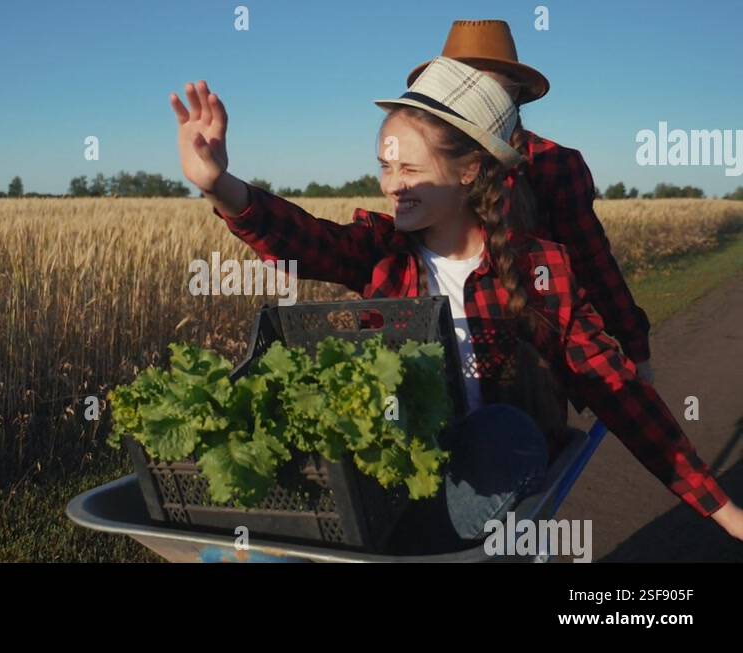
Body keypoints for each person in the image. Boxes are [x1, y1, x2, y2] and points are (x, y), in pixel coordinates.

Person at [167, 57, 743, 549]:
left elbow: (622, 399)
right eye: (386, 166)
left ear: (470, 172)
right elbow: (304, 240)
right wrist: (218, 182)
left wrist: (726, 513)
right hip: (406, 470)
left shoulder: (541, 273)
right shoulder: (381, 254)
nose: (393, 185)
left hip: (499, 459)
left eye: (411, 168)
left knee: (498, 432)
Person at [405, 19, 655, 388]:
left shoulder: (552, 162)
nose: (477, 102)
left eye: (490, 90)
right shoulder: (420, 162)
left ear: (515, 96)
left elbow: (591, 261)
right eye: (463, 87)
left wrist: (635, 349)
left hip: (527, 365)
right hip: (433, 352)